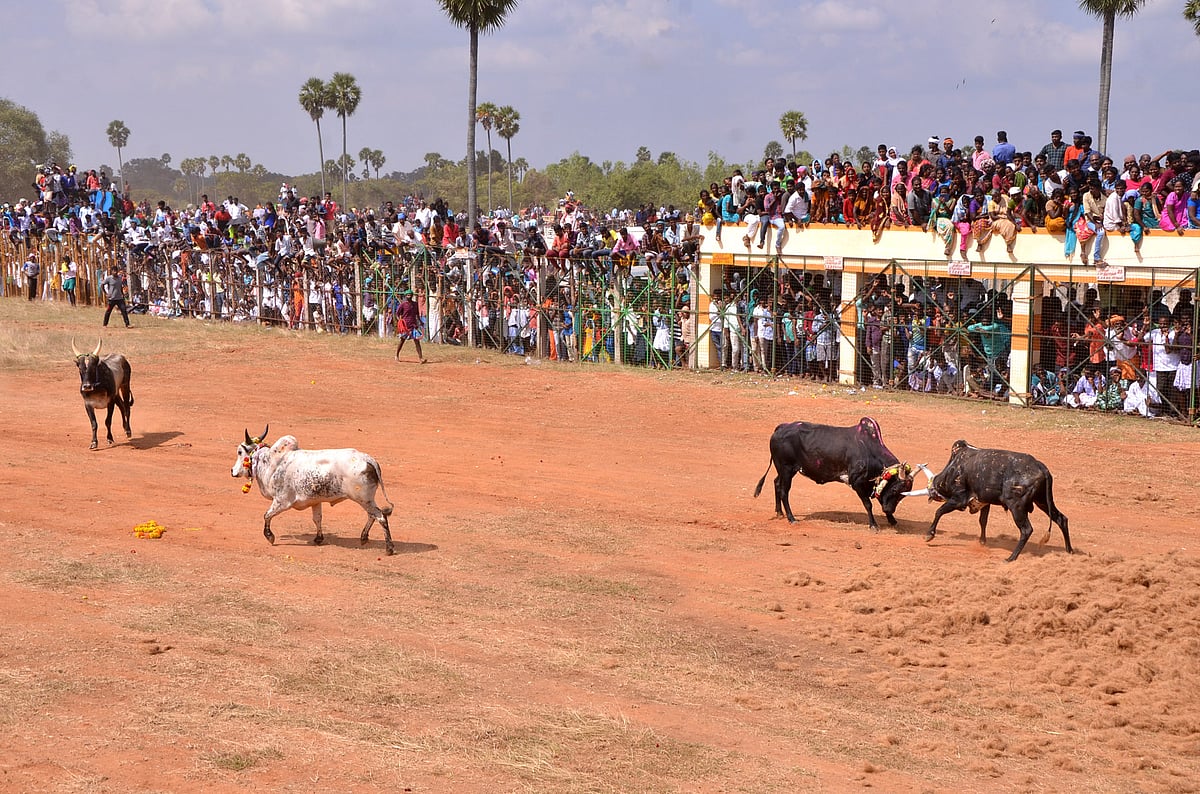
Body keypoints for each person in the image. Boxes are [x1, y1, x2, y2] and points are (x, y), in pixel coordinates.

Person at [394, 289, 426, 363]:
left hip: (413, 325)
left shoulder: (415, 304)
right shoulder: (403, 304)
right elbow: (397, 314)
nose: (409, 296)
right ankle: (397, 355)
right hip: (405, 325)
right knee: (402, 340)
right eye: (408, 295)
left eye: (410, 295)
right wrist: (400, 321)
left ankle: (421, 358)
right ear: (405, 296)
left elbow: (417, 314)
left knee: (417, 341)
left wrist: (420, 322)